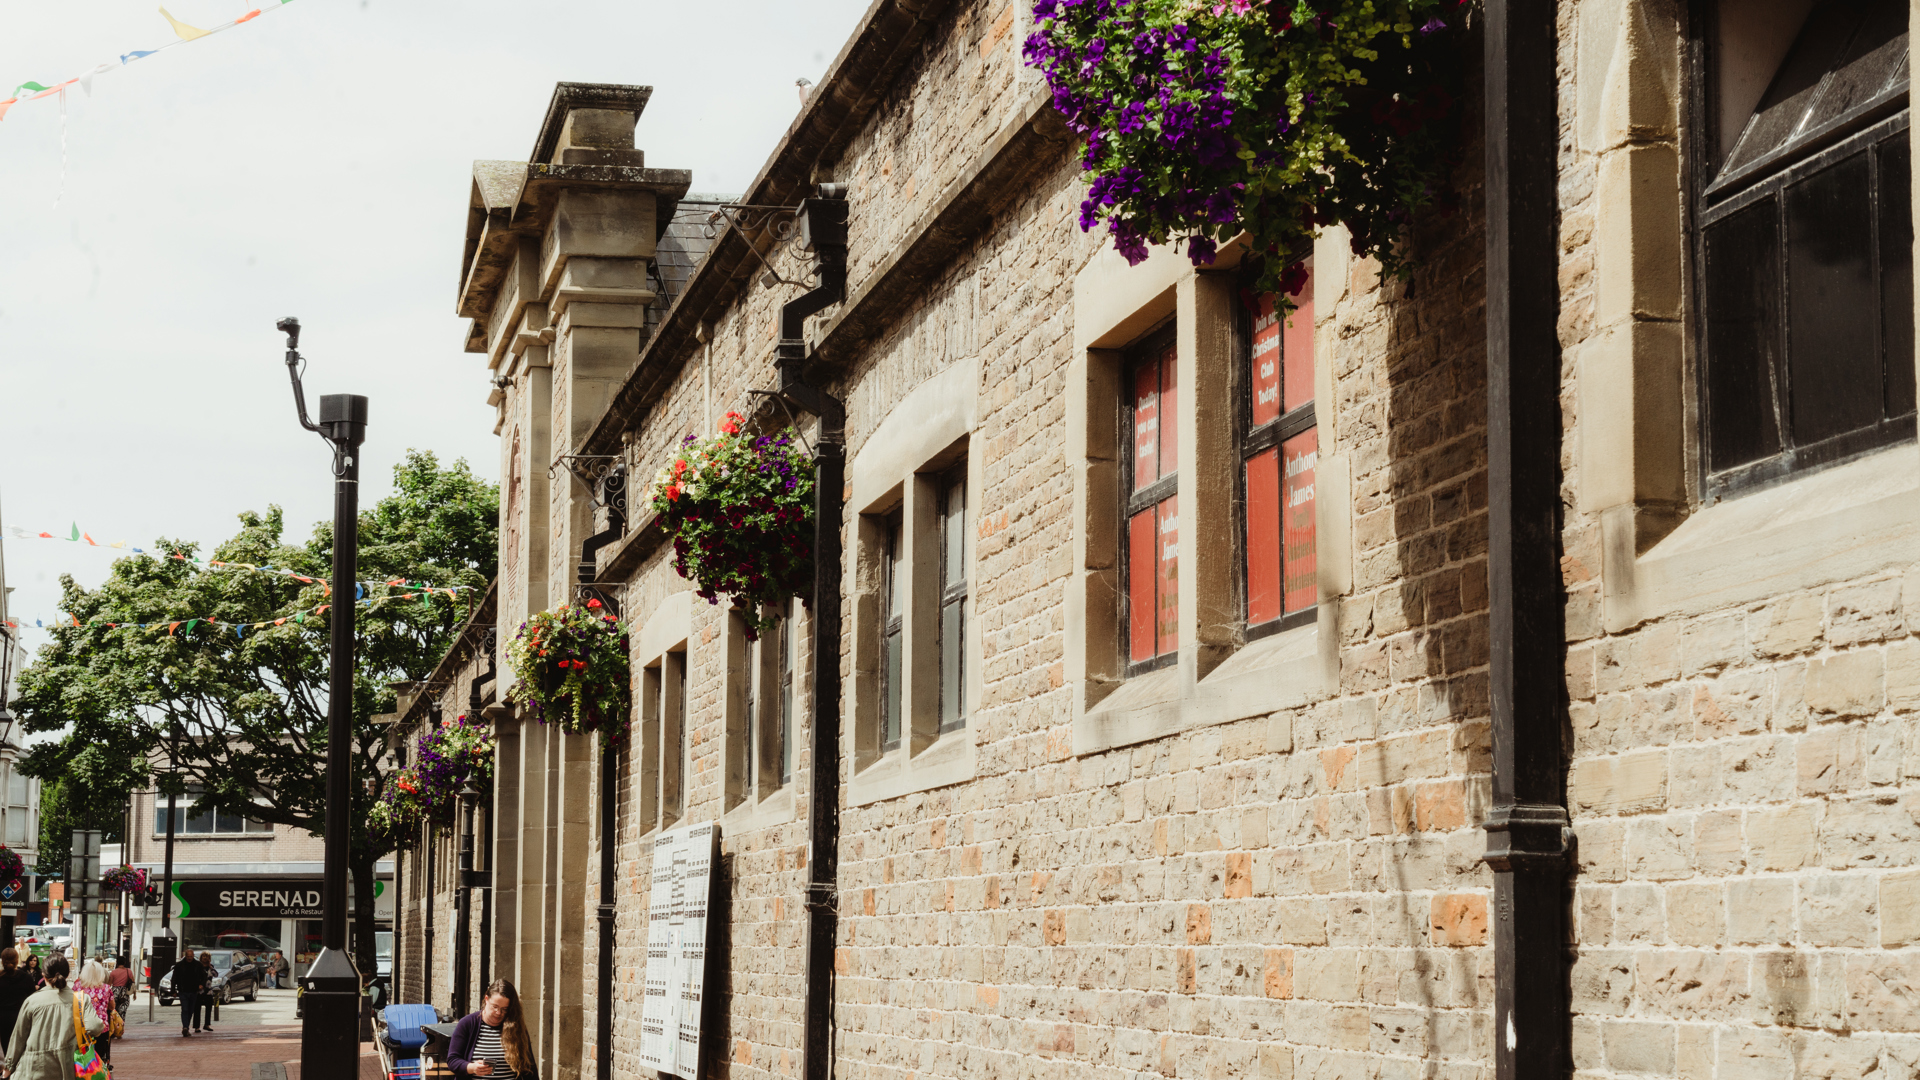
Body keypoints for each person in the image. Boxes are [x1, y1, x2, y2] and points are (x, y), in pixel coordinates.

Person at [3, 957, 102, 1080]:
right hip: (67, 1068)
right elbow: (96, 1027)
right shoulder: (81, 1000)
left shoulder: (32, 1001)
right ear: (68, 974)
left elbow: (19, 1037)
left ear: (43, 975)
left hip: (34, 1068)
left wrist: (9, 1067)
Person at [447, 980, 538, 1079]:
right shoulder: (467, 1024)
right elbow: (452, 1060)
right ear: (486, 999)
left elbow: (529, 1066)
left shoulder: (516, 1027)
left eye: (504, 1009)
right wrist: (472, 1068)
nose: (498, 1012)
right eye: (495, 1007)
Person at [76, 959, 115, 1070]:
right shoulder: (106, 988)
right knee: (99, 1055)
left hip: (82, 1026)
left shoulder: (77, 987)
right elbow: (112, 1006)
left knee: (82, 1055)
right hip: (101, 1027)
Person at [0, 950, 36, 1051]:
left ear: (2, 961)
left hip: (3, 1018)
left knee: (6, 1046)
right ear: (17, 961)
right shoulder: (26, 978)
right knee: (21, 1047)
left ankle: (8, 1065)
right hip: (22, 1017)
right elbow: (32, 998)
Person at [169, 948, 207, 1037]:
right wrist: (173, 990)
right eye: (188, 956)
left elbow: (204, 976)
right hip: (183, 991)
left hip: (194, 991)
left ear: (193, 956)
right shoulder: (179, 965)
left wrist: (202, 984)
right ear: (185, 956)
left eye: (191, 956)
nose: (189, 958)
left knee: (190, 1010)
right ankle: (185, 1027)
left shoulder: (198, 965)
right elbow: (174, 979)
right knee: (185, 1009)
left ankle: (186, 1026)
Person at [197, 952, 217, 1032]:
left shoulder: (211, 967)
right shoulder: (198, 967)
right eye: (204, 956)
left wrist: (210, 967)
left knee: (209, 1008)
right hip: (199, 991)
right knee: (197, 1009)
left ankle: (207, 1024)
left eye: (207, 957)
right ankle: (197, 1026)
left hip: (208, 991)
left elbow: (216, 975)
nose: (205, 958)